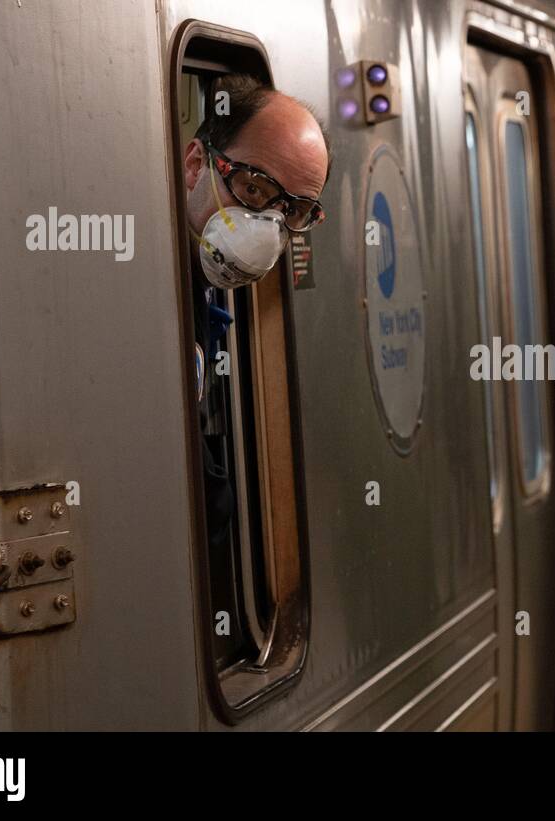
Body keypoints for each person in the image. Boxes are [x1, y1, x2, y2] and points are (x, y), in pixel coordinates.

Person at [180, 74, 330, 600]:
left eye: (291, 210)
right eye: (253, 188)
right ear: (196, 164)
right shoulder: (147, 296)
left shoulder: (203, 297)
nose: (267, 225)